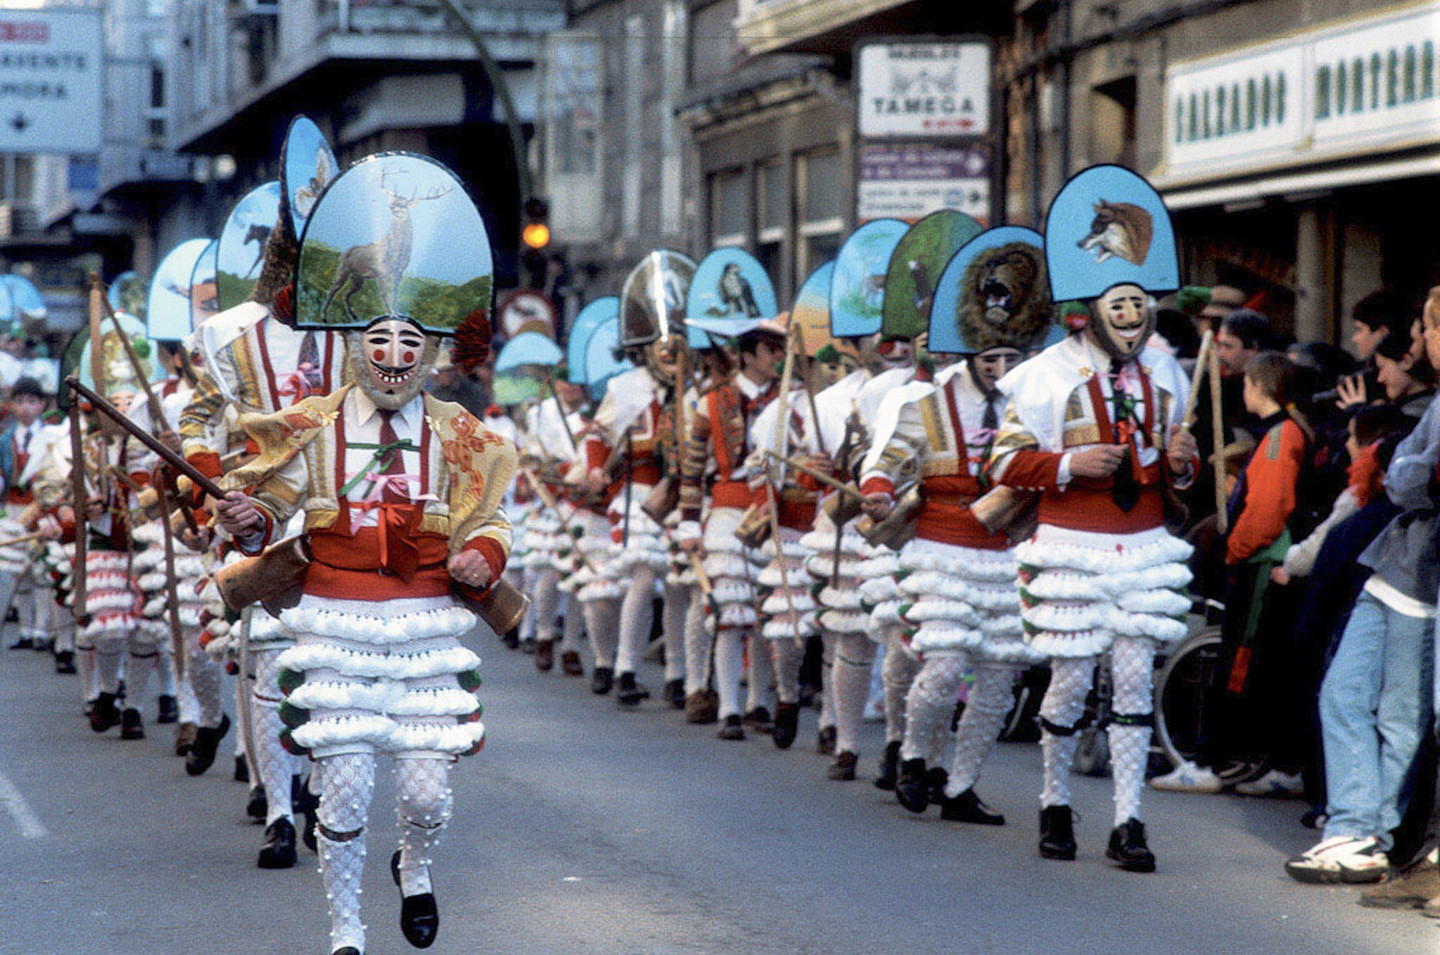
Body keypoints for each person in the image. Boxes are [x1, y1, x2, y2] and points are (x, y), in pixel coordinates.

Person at [214, 152, 513, 955]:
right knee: (341, 788)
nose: (390, 353)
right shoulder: (308, 425)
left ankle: (414, 867)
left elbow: (494, 521)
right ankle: (346, 930)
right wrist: (250, 519)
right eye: (376, 336)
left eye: (407, 339)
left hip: (423, 623)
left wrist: (484, 553)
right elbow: (269, 510)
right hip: (335, 618)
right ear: (353, 341)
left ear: (430, 352)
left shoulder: (464, 436)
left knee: (426, 795)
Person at [988, 165, 1198, 873]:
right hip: (1072, 542)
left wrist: (1180, 461)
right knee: (1073, 679)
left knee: (1135, 681)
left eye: (1142, 310)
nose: (1134, 323)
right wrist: (1072, 464)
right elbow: (1006, 464)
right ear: (1092, 309)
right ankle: (1053, 800)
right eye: (1121, 309)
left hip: (1142, 543)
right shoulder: (1045, 374)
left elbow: (1183, 478)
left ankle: (1130, 819)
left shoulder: (1167, 371)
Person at [861, 225, 1055, 823]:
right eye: (991, 357)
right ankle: (916, 755)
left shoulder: (1037, 404)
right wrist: (875, 492)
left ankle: (960, 783)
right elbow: (888, 461)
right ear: (969, 351)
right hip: (939, 549)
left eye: (1010, 357)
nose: (1000, 368)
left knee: (999, 679)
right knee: (943, 667)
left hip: (1003, 555)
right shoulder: (930, 403)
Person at [1286, 289, 1440, 886]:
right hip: (1395, 567)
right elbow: (1404, 470)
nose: (1417, 340)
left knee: (1398, 715)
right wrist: (1410, 470)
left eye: (1423, 329)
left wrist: (1409, 470)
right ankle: (1355, 827)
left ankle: (1367, 832)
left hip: (1422, 576)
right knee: (1343, 695)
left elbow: (1410, 475)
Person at [1154, 352, 1313, 795]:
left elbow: (1269, 508)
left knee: (1241, 665)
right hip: (1262, 560)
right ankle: (1278, 766)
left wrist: (1235, 550)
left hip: (1260, 563)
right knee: (1265, 667)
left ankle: (1212, 763)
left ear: (1259, 386)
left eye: (1247, 384)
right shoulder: (1287, 432)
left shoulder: (1282, 436)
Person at [677, 323, 785, 740]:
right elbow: (691, 469)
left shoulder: (787, 397)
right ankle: (729, 707)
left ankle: (759, 700)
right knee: (730, 612)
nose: (776, 358)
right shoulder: (712, 401)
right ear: (749, 354)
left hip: (774, 510)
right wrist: (689, 523)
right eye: (770, 350)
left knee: (767, 612)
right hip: (727, 510)